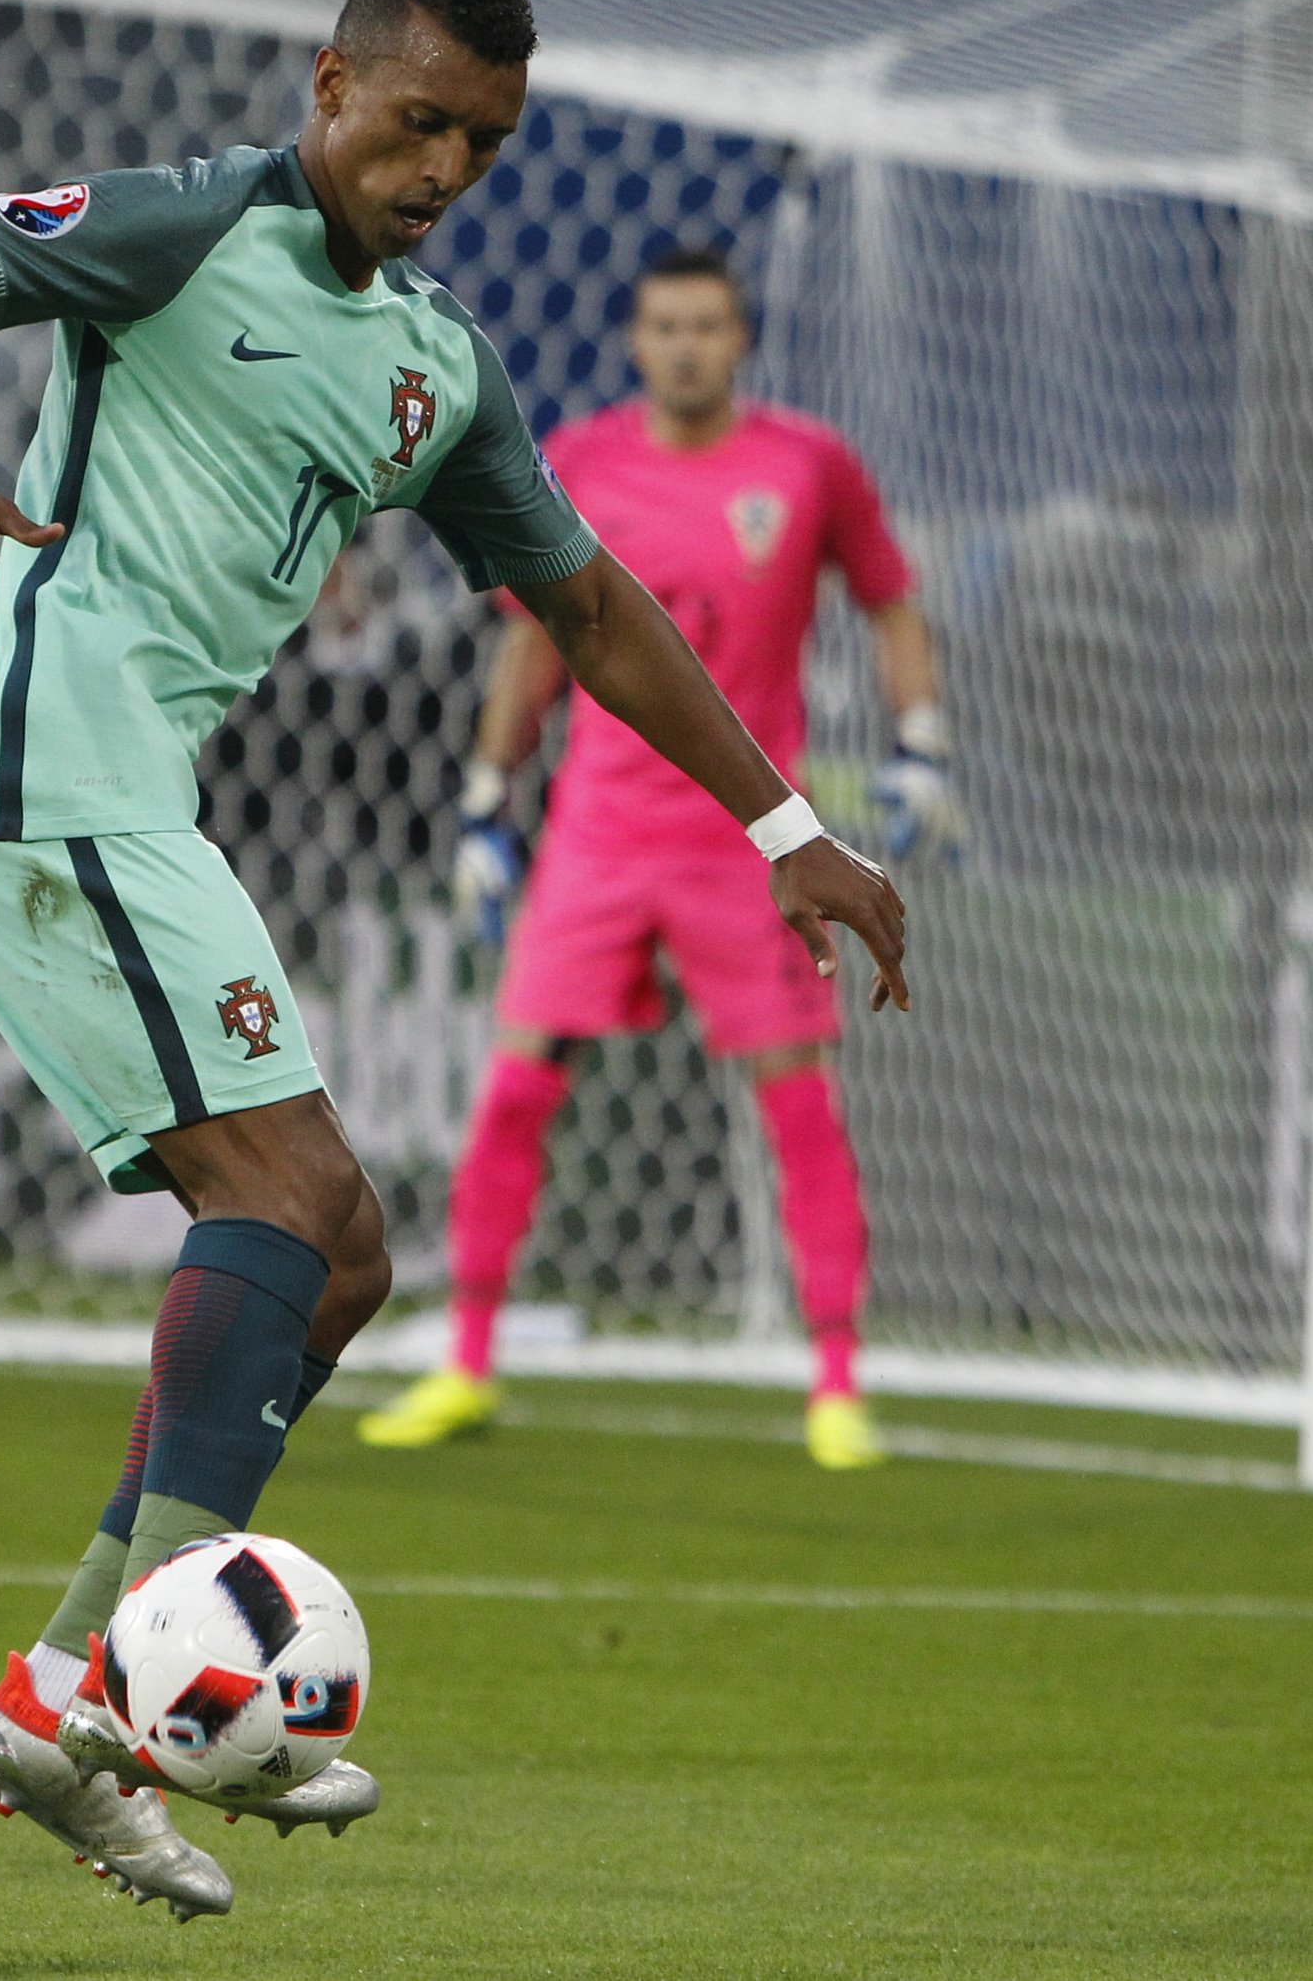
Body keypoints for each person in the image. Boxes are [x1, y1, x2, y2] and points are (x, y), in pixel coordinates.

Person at [0, 0, 909, 1920]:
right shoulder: (192, 225)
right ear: (332, 86)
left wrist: (786, 823)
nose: (442, 168)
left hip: (116, 785)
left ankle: (62, 1693)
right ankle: (133, 1688)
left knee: (341, 1247)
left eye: (481, 145)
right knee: (291, 1187)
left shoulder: (437, 369)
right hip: (24, 749)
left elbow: (586, 612)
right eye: (418, 123)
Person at [359, 251, 959, 1470]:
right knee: (520, 1083)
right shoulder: (581, 461)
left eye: (708, 326)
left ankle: (837, 1384)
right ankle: (467, 1359)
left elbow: (892, 601)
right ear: (637, 342)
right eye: (665, 327)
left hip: (756, 834)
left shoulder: (809, 467)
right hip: (600, 827)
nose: (686, 346)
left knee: (797, 1097)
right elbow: (539, 637)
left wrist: (921, 747)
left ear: (741, 340)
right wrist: (488, 796)